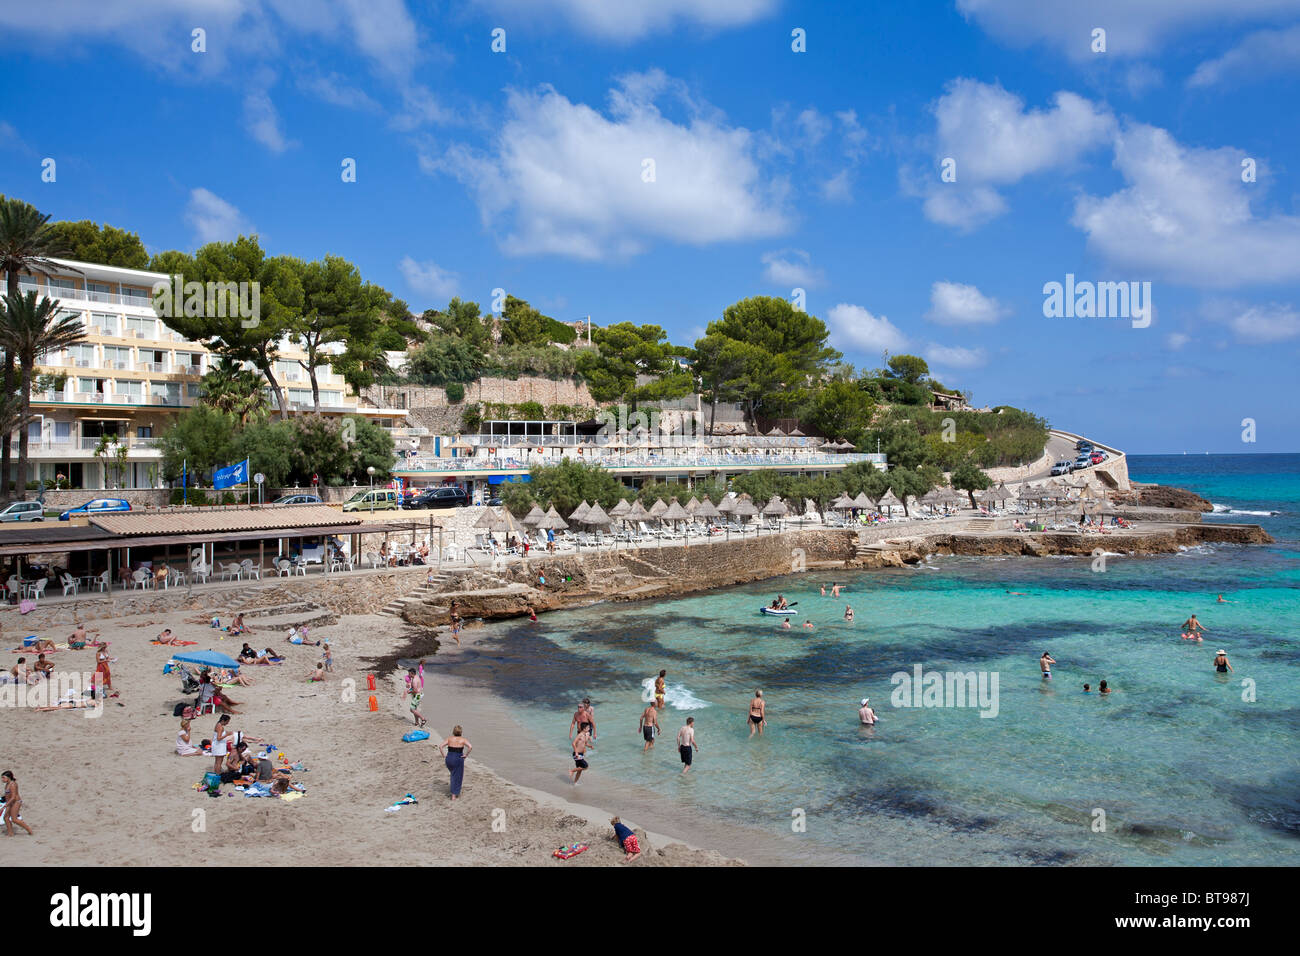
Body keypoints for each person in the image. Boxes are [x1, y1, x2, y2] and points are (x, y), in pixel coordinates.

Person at [439, 726, 472, 800]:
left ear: (453, 731)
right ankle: (454, 795)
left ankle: (454, 790)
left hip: (449, 758)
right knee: (457, 776)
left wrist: (444, 755)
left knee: (453, 774)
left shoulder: (449, 739)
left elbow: (440, 746)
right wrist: (466, 755)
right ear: (461, 732)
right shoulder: (463, 740)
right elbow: (470, 747)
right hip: (458, 758)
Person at [2, 771, 33, 836]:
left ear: (9, 777)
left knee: (14, 819)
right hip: (9, 802)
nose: (2, 779)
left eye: (3, 778)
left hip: (16, 802)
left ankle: (29, 830)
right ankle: (10, 833)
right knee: (6, 817)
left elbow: (13, 797)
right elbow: (7, 795)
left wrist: (5, 805)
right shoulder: (7, 784)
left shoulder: (13, 784)